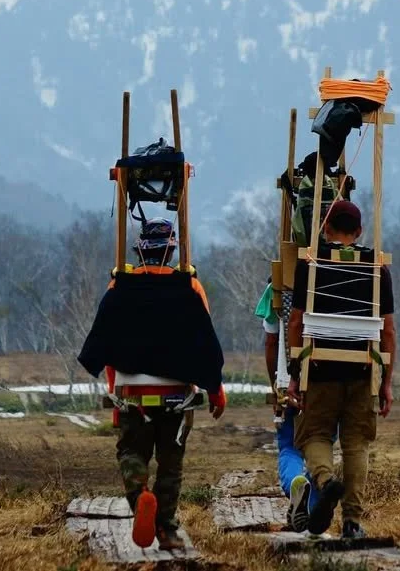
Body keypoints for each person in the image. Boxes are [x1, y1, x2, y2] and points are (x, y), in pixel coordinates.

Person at [79, 218, 227, 550]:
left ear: (140, 252)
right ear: (172, 251)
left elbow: (105, 347)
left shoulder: (119, 288)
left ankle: (140, 494)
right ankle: (167, 530)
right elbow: (205, 344)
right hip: (177, 394)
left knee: (131, 451)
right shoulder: (190, 287)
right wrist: (215, 391)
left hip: (133, 392)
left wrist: (116, 392)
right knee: (171, 464)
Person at [286, 200, 396, 539]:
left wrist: (294, 371)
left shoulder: (311, 264)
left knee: (314, 434)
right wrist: (386, 381)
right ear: (360, 231)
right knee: (356, 444)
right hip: (363, 371)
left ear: (326, 229)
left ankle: (324, 479)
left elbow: (296, 321)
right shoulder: (378, 268)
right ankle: (351, 521)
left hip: (320, 370)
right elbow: (388, 330)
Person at [255, 279, 317, 532]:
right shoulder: (350, 273)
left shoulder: (277, 287)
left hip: (292, 380)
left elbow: (271, 343)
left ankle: (295, 483)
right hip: (340, 382)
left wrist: (276, 385)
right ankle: (313, 513)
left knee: (290, 447)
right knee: (321, 446)